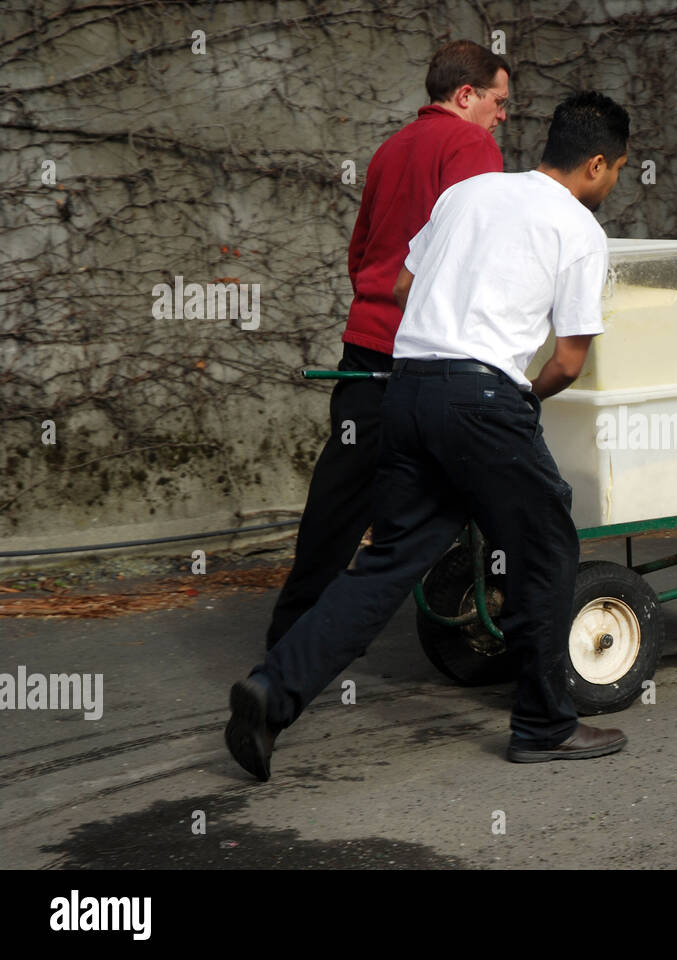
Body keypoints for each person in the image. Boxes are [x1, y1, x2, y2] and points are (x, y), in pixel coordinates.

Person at [226, 91, 632, 778]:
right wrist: (517, 395)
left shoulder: (469, 195)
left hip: (407, 389)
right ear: (596, 164)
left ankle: (273, 690)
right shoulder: (580, 231)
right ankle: (541, 724)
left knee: (385, 563)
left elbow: (403, 285)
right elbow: (567, 360)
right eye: (619, 169)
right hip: (482, 399)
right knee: (546, 549)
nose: (616, 181)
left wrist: (445, 342)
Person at [265, 40, 511, 651]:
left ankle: (288, 643)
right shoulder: (471, 146)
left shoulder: (389, 149)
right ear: (465, 95)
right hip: (429, 353)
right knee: (489, 488)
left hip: (365, 350)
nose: (503, 115)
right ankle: (509, 628)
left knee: (340, 502)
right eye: (498, 101)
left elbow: (360, 252)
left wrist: (379, 305)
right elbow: (474, 250)